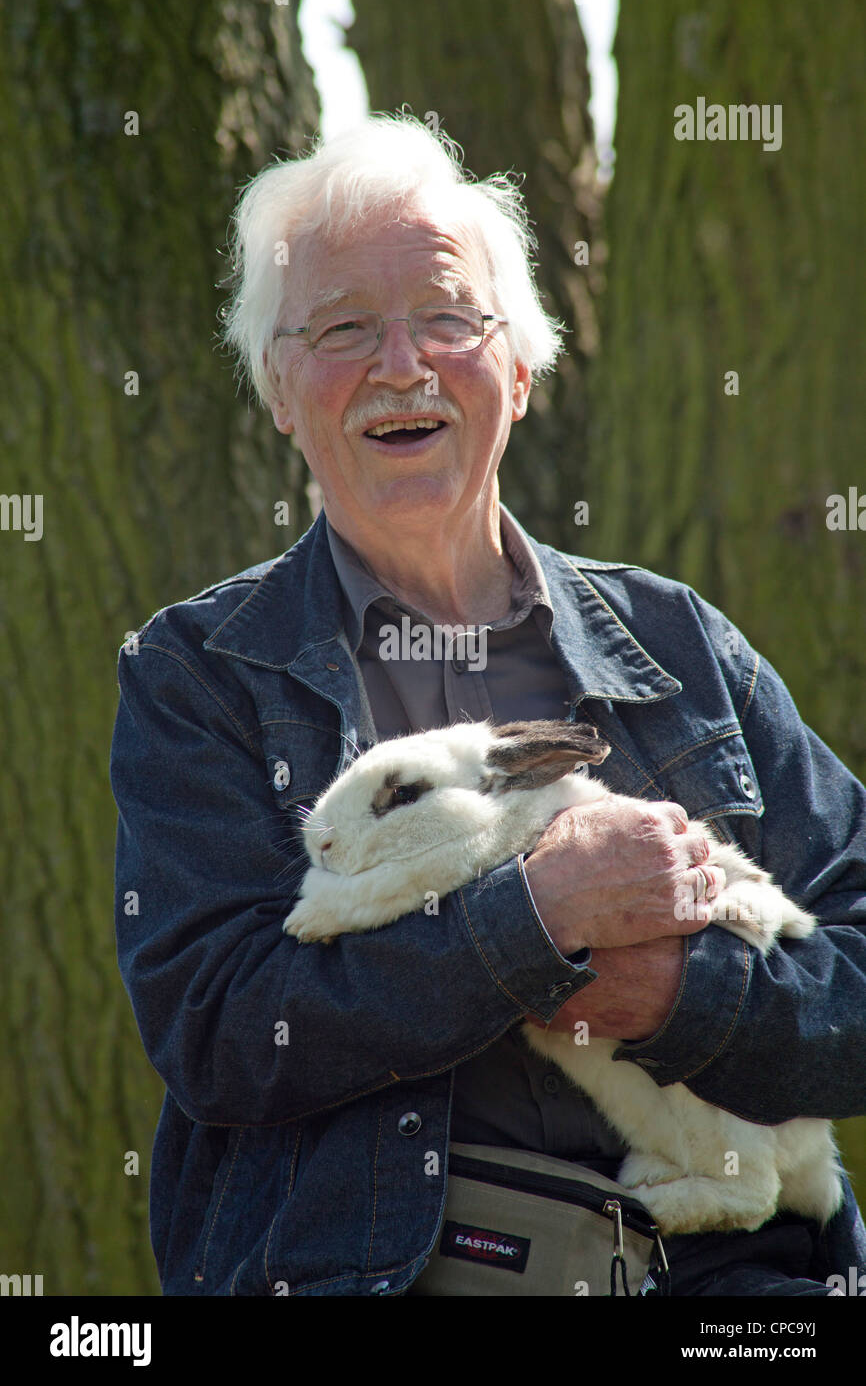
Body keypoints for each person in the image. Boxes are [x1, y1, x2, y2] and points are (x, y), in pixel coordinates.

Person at [110, 112, 866, 1296]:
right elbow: (218, 1030)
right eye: (343, 328)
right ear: (276, 390)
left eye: (446, 318)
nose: (401, 364)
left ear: (517, 368)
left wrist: (681, 994)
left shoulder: (678, 645)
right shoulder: (198, 673)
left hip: (725, 1277)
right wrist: (531, 924)